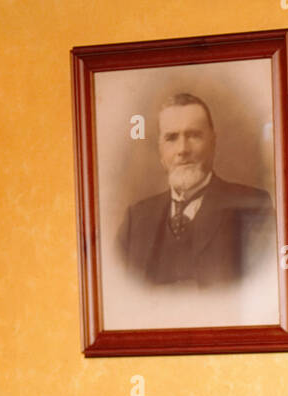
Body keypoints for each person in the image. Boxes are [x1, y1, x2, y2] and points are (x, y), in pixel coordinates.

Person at [117, 93, 275, 287]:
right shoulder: (136, 219)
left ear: (213, 142)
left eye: (193, 135)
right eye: (171, 138)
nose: (182, 149)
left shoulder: (252, 206)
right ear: (161, 151)